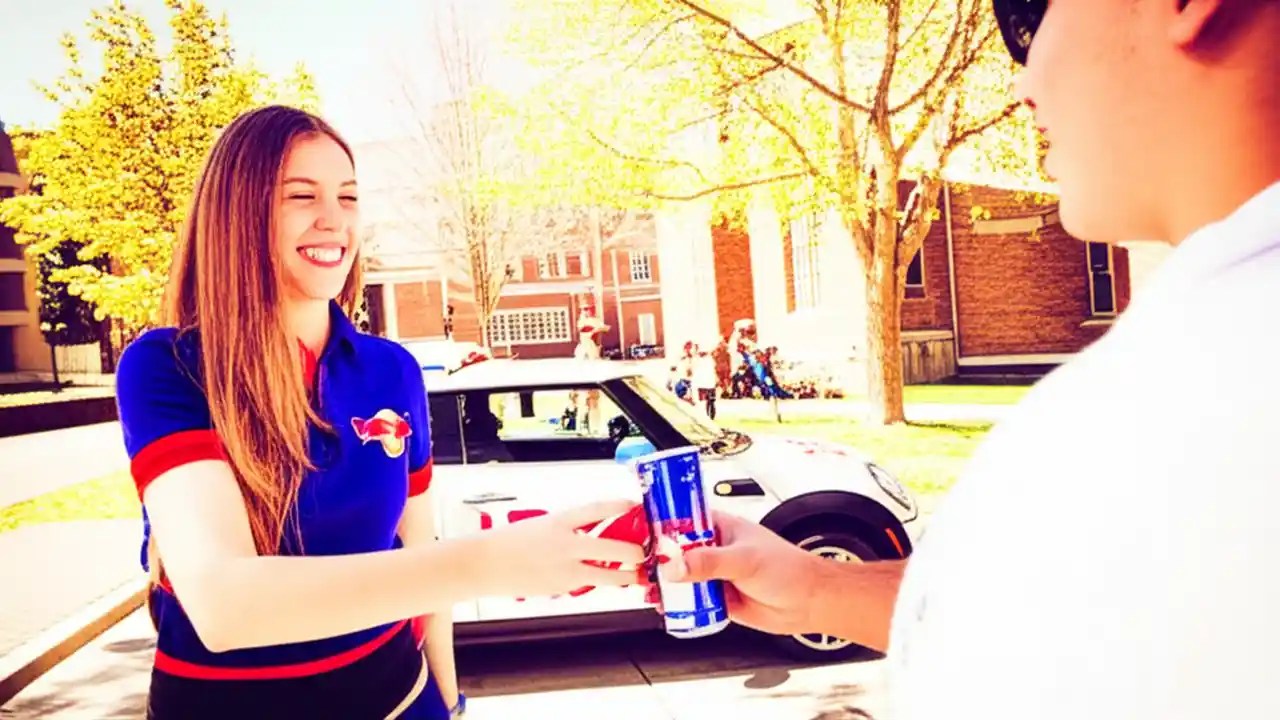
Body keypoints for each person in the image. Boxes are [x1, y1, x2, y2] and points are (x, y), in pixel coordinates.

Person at [668, 2, 1280, 719]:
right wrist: (817, 589)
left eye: (1025, 16)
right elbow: (1076, 612)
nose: (1021, 81)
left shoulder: (1176, 406)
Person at [115, 105, 645, 720]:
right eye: (300, 195)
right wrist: (498, 561)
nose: (333, 221)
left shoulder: (392, 371)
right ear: (238, 212)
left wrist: (448, 698)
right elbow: (224, 607)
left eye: (348, 197)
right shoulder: (166, 366)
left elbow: (421, 542)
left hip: (398, 698)